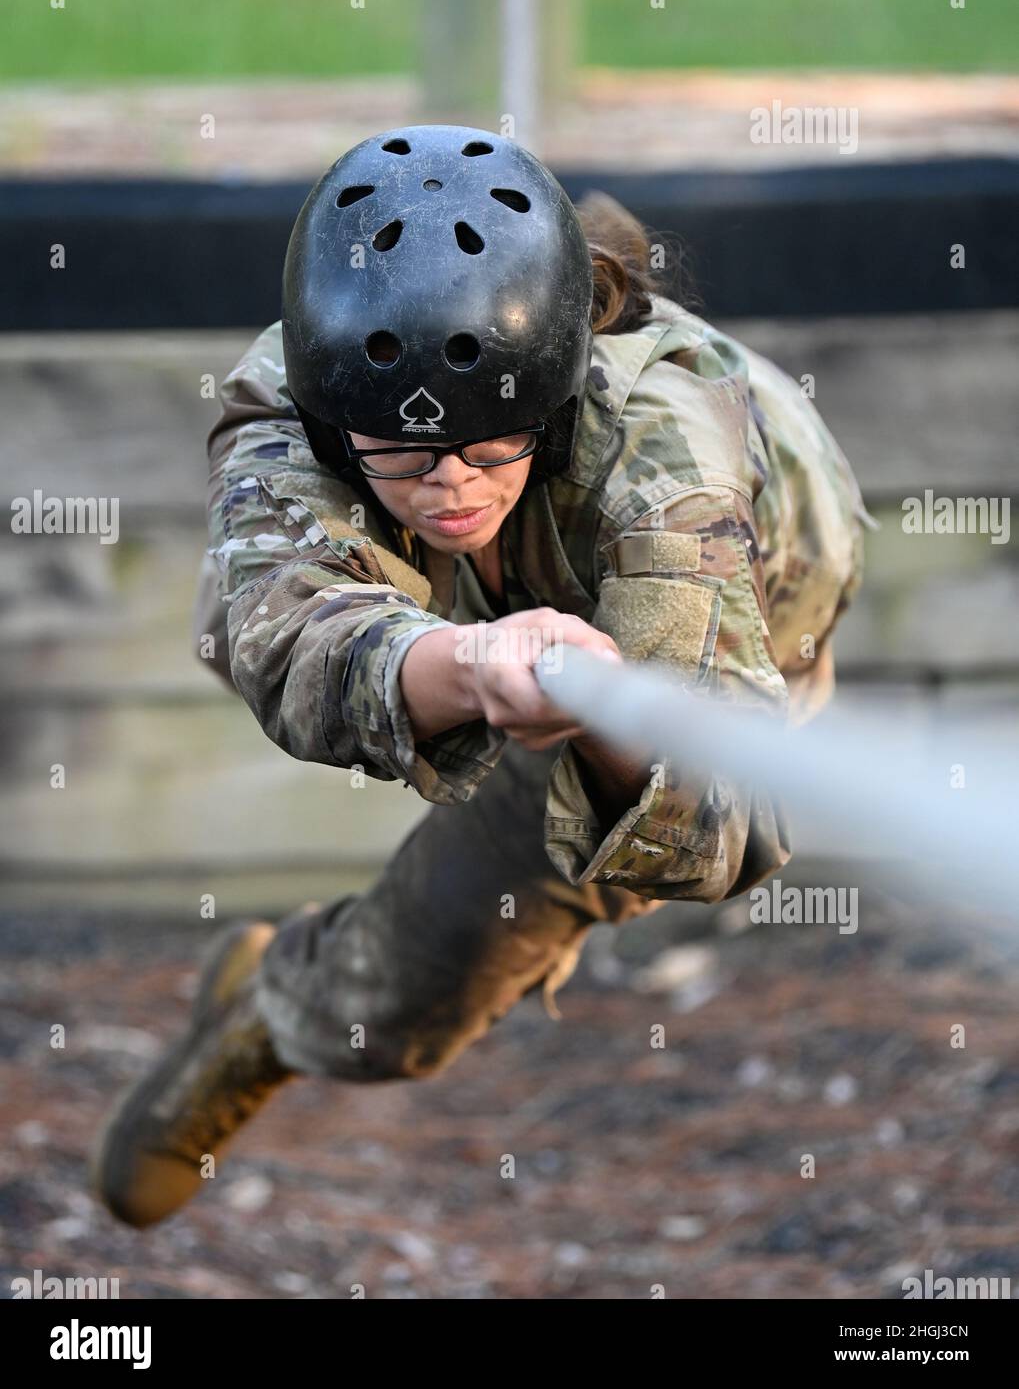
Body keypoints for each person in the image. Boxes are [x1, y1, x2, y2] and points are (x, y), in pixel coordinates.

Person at [92, 125, 873, 1228]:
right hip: (482, 607)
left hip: (732, 631)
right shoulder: (311, 377)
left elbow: (722, 822)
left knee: (419, 988)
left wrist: (604, 722)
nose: (449, 482)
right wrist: (463, 662)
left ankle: (265, 1016)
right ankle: (264, 1018)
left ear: (551, 395)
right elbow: (263, 621)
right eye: (407, 450)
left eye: (487, 439)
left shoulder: (667, 473)